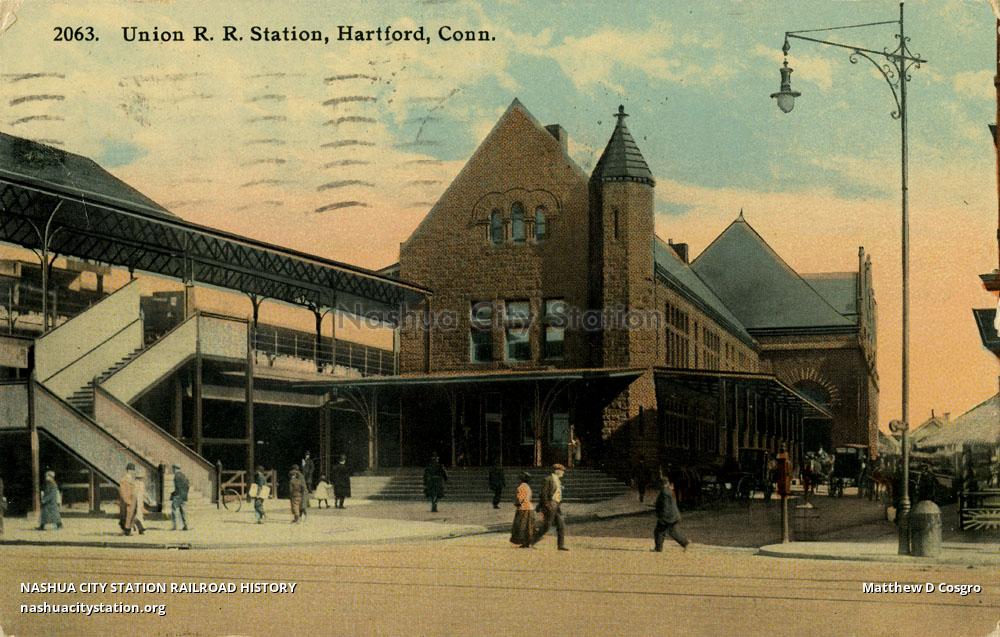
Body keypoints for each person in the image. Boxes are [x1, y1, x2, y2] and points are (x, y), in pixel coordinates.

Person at [532, 464, 567, 550]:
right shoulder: (548, 479)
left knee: (561, 525)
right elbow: (543, 494)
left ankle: (560, 545)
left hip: (557, 506)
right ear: (556, 470)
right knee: (546, 526)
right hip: (550, 506)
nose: (563, 472)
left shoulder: (558, 480)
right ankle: (531, 541)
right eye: (562, 470)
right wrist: (547, 505)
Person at [653, 475, 689, 552]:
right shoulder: (669, 490)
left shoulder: (664, 492)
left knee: (659, 531)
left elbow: (666, 506)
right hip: (673, 516)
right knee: (672, 532)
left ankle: (658, 548)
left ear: (661, 484)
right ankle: (685, 543)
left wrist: (662, 518)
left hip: (668, 517)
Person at [510, 472, 536, 548]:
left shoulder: (521, 487)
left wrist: (516, 503)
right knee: (529, 526)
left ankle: (523, 541)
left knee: (521, 525)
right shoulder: (528, 487)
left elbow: (519, 498)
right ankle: (528, 542)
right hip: (529, 507)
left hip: (523, 508)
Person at [118, 463, 137, 535]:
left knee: (130, 516)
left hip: (132, 500)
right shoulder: (124, 480)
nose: (133, 472)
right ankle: (127, 530)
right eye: (131, 470)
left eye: (133, 470)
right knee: (126, 516)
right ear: (128, 470)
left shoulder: (131, 479)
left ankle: (128, 530)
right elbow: (122, 491)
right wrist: (127, 501)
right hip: (128, 501)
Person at [171, 464, 189, 531]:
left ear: (175, 468)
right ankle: (186, 525)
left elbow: (178, 487)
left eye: (173, 468)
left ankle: (175, 526)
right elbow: (187, 485)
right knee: (183, 511)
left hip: (178, 495)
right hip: (184, 495)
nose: (172, 470)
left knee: (174, 510)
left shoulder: (176, 476)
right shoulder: (183, 475)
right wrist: (185, 493)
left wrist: (174, 494)